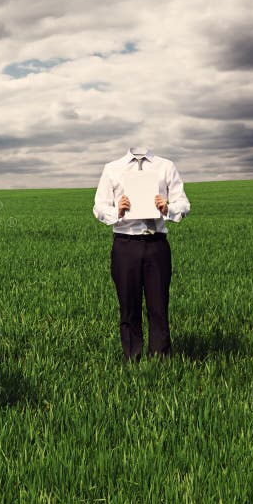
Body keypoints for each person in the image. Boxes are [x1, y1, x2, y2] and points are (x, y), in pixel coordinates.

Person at [93, 147, 190, 360]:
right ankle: (132, 359)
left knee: (159, 306)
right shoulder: (112, 169)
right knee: (128, 307)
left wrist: (168, 208)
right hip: (125, 244)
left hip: (156, 244)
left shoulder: (166, 166)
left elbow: (184, 203)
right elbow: (99, 207)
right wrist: (116, 211)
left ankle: (160, 360)